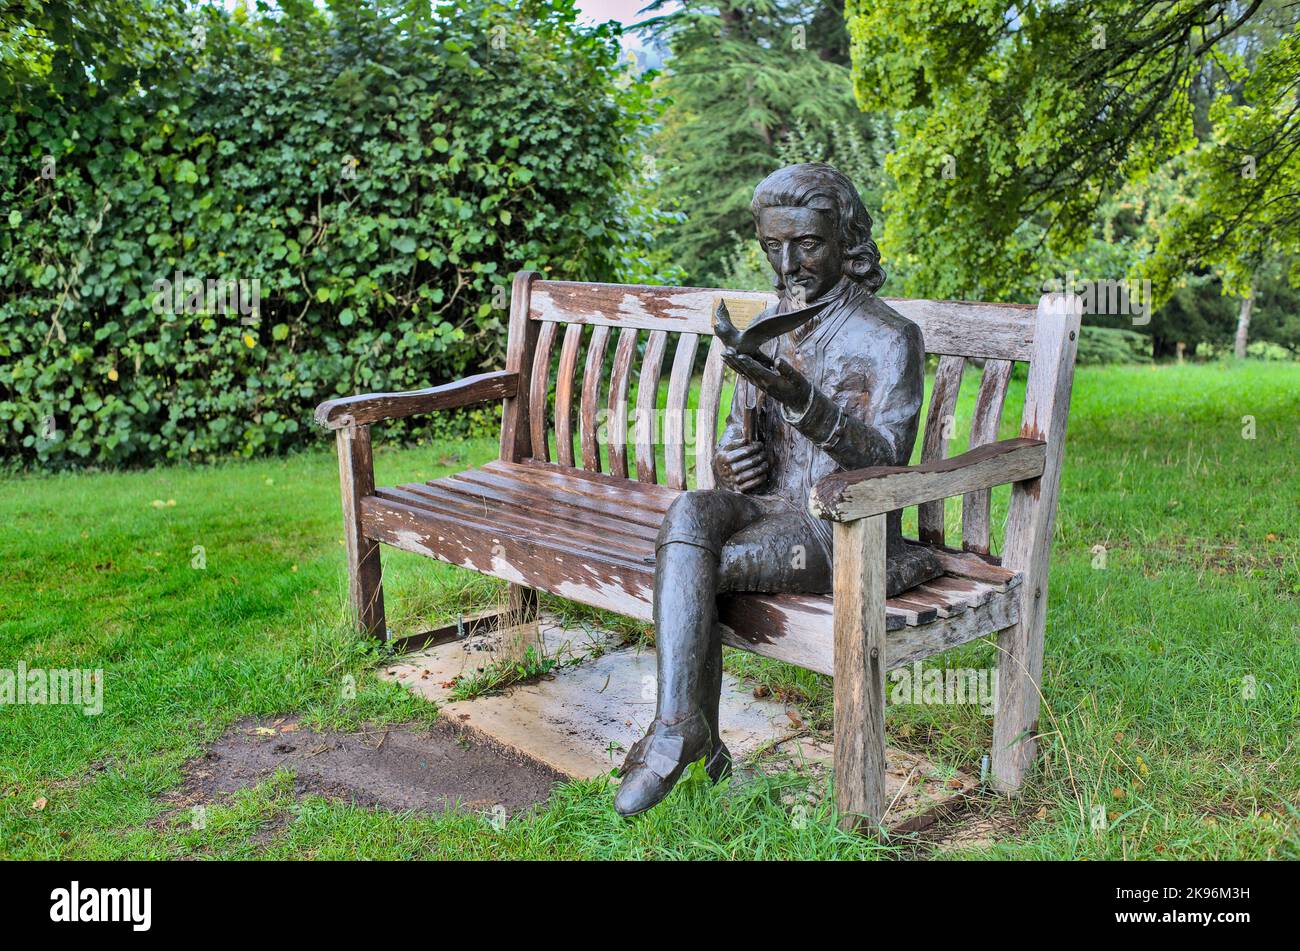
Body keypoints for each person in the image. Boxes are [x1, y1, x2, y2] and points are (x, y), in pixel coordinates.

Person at [614, 163, 942, 817]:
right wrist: (732, 461)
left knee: (695, 567)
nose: (788, 262)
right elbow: (745, 453)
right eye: (772, 247)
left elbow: (885, 463)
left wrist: (800, 396)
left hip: (840, 525)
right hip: (775, 508)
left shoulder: (890, 338)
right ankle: (686, 730)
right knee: (690, 511)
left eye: (807, 244)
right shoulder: (770, 324)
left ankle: (684, 735)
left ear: (846, 238)